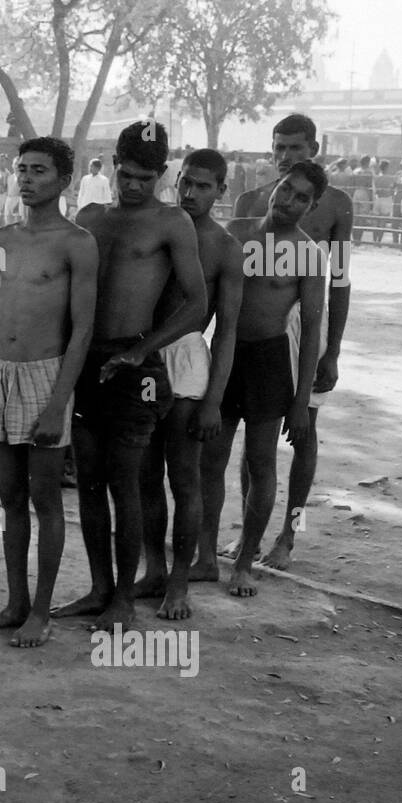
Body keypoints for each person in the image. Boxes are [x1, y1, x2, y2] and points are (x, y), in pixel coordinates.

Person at [49, 120, 206, 632]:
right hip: (88, 360)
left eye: (144, 176)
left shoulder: (171, 222)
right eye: (126, 173)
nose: (133, 184)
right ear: (112, 165)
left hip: (136, 364)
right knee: (89, 482)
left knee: (127, 484)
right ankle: (98, 589)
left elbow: (196, 301)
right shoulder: (92, 216)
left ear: (162, 174)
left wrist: (145, 348)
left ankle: (123, 598)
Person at [0, 137, 97, 648]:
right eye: (21, 168)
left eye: (39, 170)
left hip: (46, 378)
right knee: (9, 497)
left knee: (45, 500)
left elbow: (81, 329)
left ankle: (40, 611)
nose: (26, 177)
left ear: (64, 180)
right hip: (2, 373)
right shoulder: (3, 238)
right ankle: (15, 602)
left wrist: (59, 402)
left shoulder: (76, 243)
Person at [232, 113, 352, 572]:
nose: (285, 158)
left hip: (308, 325)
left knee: (304, 430)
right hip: (258, 333)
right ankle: (249, 538)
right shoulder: (250, 201)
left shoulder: (335, 204)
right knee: (254, 438)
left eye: (295, 149)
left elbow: (338, 281)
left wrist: (332, 350)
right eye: (279, 148)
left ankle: (288, 534)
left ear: (313, 150)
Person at [202, 162, 327, 597]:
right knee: (211, 457)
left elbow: (311, 330)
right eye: (286, 190)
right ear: (275, 186)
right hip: (224, 354)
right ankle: (204, 554)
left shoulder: (310, 253)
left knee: (261, 462)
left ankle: (243, 563)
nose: (288, 201)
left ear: (312, 206)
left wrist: (301, 399)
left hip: (269, 360)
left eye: (301, 198)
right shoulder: (235, 230)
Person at [138, 149, 244, 618]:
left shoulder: (224, 247)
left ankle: (179, 583)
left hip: (187, 363)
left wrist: (213, 401)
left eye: (204, 186)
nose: (191, 192)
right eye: (186, 182)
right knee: (144, 476)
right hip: (144, 357)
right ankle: (154, 570)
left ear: (222, 190)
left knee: (184, 478)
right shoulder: (158, 225)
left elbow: (228, 331)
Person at [372, 159, 395, 244]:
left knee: (375, 221)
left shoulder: (377, 177)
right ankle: (379, 241)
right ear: (387, 167)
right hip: (386, 198)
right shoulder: (389, 178)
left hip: (378, 198)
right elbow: (392, 188)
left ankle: (374, 240)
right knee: (382, 221)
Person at [351, 155, 373, 243]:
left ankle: (354, 237)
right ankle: (358, 238)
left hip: (356, 191)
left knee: (355, 215)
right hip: (364, 191)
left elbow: (352, 183)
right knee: (362, 216)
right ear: (367, 162)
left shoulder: (356, 171)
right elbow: (369, 184)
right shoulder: (368, 172)